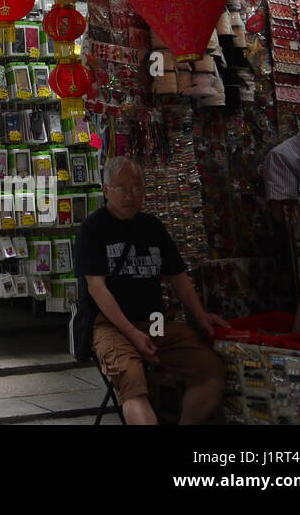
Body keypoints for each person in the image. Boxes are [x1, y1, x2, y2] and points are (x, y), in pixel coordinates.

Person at [76, 156, 228, 425]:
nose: (130, 195)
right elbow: (97, 289)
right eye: (121, 187)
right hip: (112, 325)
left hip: (155, 322)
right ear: (106, 190)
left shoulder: (152, 226)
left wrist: (201, 316)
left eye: (136, 186)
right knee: (133, 387)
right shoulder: (92, 229)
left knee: (209, 369)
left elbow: (177, 277)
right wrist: (132, 333)